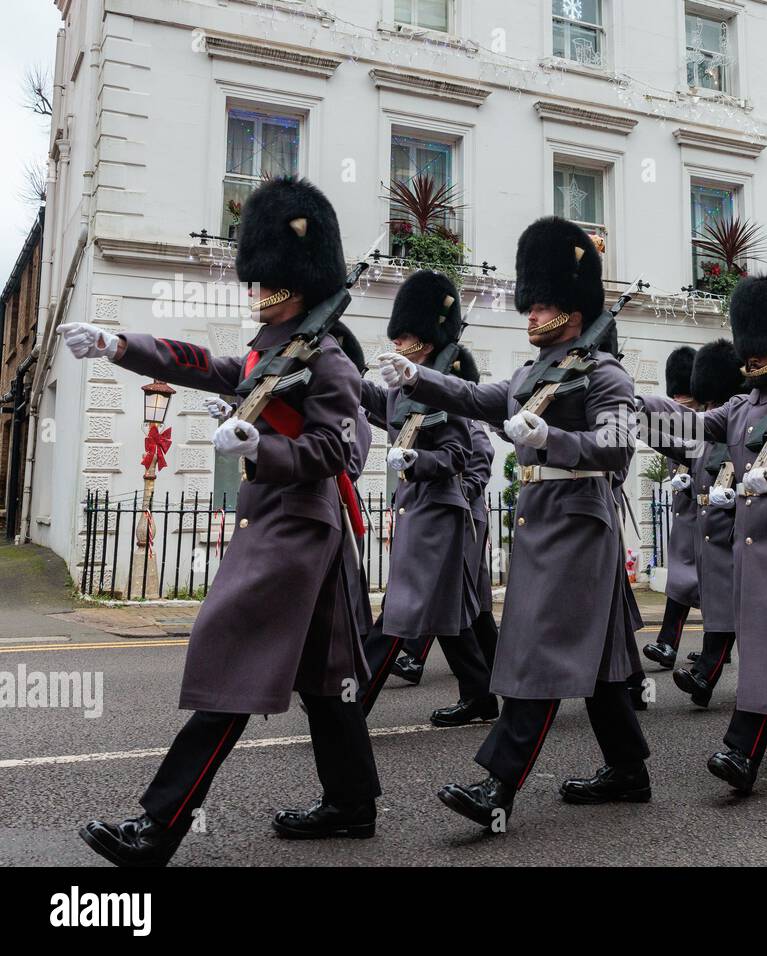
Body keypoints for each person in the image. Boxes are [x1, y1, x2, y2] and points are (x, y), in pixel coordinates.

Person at [60, 177, 381, 865]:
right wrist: (119, 344)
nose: (260, 291)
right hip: (299, 530)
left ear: (302, 281)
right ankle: (352, 804)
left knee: (234, 663)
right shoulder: (272, 351)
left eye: (273, 281)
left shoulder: (325, 359)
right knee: (328, 676)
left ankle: (159, 825)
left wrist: (258, 447)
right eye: (257, 279)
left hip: (295, 529)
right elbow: (204, 363)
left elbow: (336, 451)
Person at [376, 217, 650, 829]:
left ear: (573, 312)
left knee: (541, 653)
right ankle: (629, 770)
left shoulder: (605, 375)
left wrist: (551, 436)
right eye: (533, 302)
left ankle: (496, 786)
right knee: (599, 662)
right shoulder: (531, 375)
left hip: (578, 522)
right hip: (541, 521)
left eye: (545, 304)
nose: (532, 314)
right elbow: (478, 398)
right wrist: (418, 376)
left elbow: (615, 448)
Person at [648, 274, 767, 794]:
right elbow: (691, 424)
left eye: (758, 348)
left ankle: (742, 750)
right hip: (756, 548)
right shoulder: (739, 407)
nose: (750, 358)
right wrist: (638, 402)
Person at [356, 271, 496, 728]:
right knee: (450, 611)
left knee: (401, 608)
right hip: (419, 508)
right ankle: (480, 694)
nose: (398, 341)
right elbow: (386, 411)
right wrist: (341, 374)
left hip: (440, 511)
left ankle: (351, 702)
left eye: (407, 336)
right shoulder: (405, 386)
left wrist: (416, 460)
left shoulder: (443, 385)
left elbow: (459, 455)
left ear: (427, 340)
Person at [642, 339, 746, 709]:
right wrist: (641, 423)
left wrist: (739, 492)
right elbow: (682, 448)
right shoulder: (714, 421)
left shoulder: (743, 422)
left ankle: (706, 672)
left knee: (728, 607)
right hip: (707, 523)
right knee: (717, 603)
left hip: (737, 528)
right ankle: (705, 675)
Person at [641, 345, 700, 670]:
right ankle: (668, 644)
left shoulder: (714, 420)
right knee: (680, 580)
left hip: (713, 517)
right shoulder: (678, 421)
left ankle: (716, 649)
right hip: (687, 516)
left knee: (716, 588)